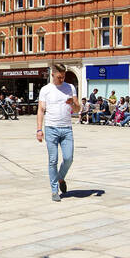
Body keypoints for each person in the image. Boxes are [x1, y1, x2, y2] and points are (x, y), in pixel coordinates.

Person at [36, 64, 80, 202]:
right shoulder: (45, 90)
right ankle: (54, 190)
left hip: (67, 128)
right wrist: (39, 129)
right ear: (53, 74)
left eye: (64, 76)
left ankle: (60, 177)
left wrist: (72, 103)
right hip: (51, 128)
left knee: (68, 158)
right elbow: (41, 110)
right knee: (53, 160)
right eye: (59, 77)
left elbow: (78, 109)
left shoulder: (70, 88)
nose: (62, 79)